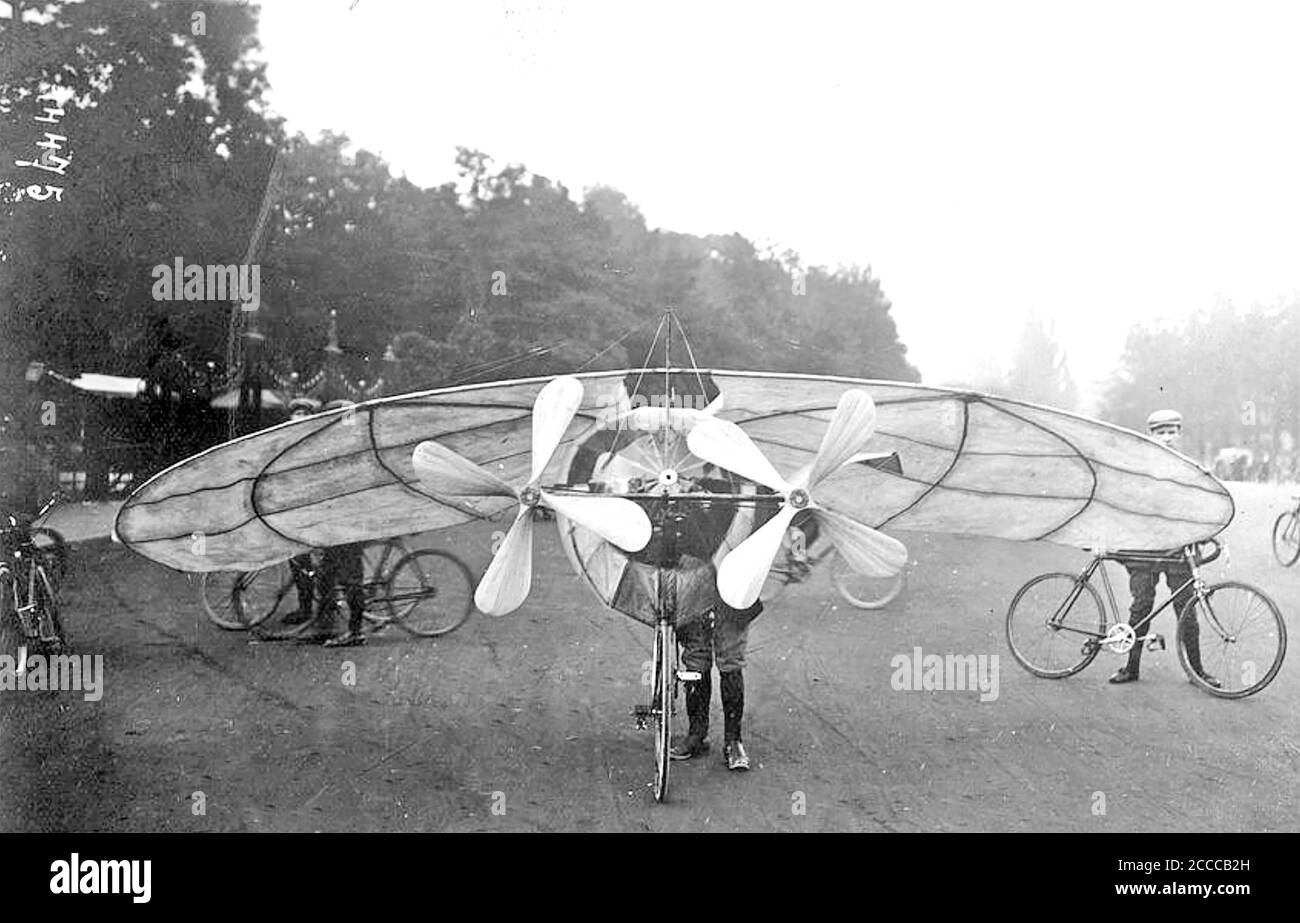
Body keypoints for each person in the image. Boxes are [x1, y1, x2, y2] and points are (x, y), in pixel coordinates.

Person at [1109, 409, 1219, 687]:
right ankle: (1130, 667)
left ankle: (1197, 671)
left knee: (1186, 609)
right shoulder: (1140, 466)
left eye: (1172, 432)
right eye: (1161, 433)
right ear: (1151, 435)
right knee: (1141, 607)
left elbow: (1200, 505)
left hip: (1177, 548)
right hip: (1144, 548)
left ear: (1179, 434)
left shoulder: (1189, 467)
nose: (1167, 438)